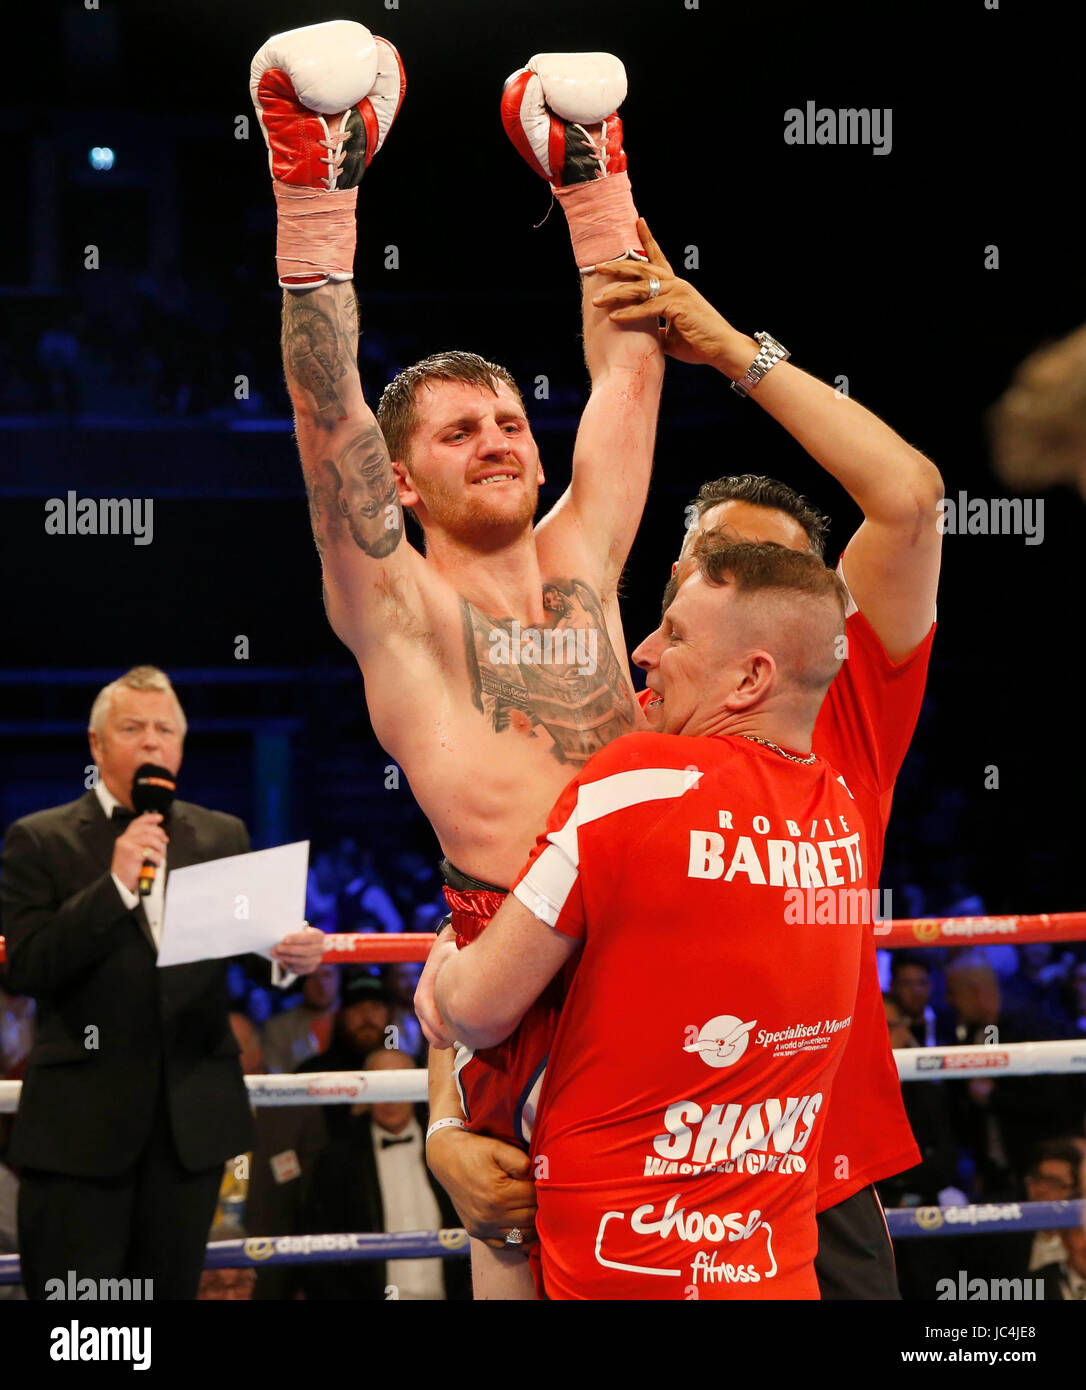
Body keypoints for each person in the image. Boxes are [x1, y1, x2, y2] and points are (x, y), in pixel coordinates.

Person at [418, 239, 944, 1297]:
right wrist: (441, 1124)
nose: (664, 633)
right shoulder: (615, 751)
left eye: (753, 573)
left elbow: (912, 498)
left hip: (811, 1174)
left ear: (784, 638)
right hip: (630, 1180)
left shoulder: (847, 711)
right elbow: (483, 918)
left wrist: (735, 352)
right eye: (681, 582)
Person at [250, 22, 664, 1295]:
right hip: (514, 981)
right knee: (529, 1272)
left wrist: (594, 181)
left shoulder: (588, 547)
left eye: (508, 421)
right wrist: (316, 195)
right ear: (408, 482)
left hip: (662, 943)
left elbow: (632, 365)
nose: (495, 439)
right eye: (456, 431)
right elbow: (328, 414)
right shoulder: (400, 605)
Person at [430, 538, 867, 1297]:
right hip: (773, 1270)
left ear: (750, 676)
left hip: (619, 1264)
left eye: (678, 634)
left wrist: (442, 971)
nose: (643, 650)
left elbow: (476, 1009)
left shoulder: (637, 780)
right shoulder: (846, 825)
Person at [0, 665, 324, 1300]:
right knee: (79, 1319)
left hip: (190, 1128)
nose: (151, 741)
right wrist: (115, 887)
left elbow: (254, 954)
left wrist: (289, 953)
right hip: (79, 1135)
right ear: (97, 745)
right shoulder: (40, 839)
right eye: (132, 728)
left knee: (163, 1301)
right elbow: (27, 965)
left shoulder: (219, 833)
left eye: (164, 729)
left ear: (180, 743)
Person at [299, 1049, 470, 1301]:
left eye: (398, 1084)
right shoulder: (338, 1158)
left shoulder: (451, 1144)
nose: (390, 1099)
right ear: (364, 1092)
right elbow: (322, 1244)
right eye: (380, 1086)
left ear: (420, 1085)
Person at [262, 962, 341, 1073]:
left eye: (327, 975)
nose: (321, 984)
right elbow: (275, 1075)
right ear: (301, 981)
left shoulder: (355, 1021)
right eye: (312, 977)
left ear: (339, 977)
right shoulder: (278, 1028)